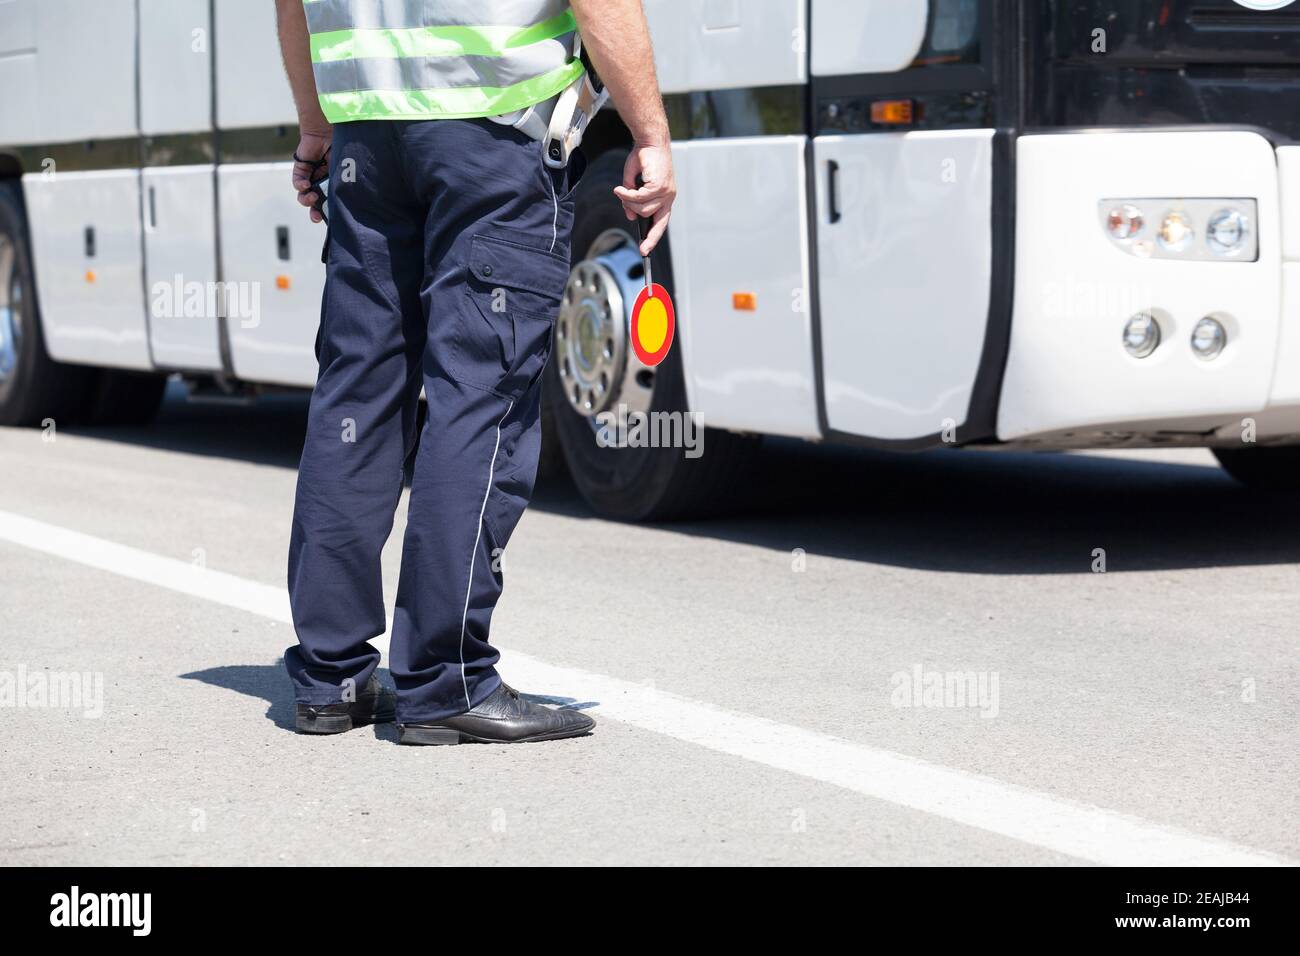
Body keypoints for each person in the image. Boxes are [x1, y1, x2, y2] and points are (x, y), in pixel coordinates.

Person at [274, 0, 676, 744]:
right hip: (493, 140)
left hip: (368, 138)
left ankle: (330, 675)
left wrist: (318, 125)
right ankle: (443, 677)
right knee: (478, 398)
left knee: (355, 393)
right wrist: (649, 130)